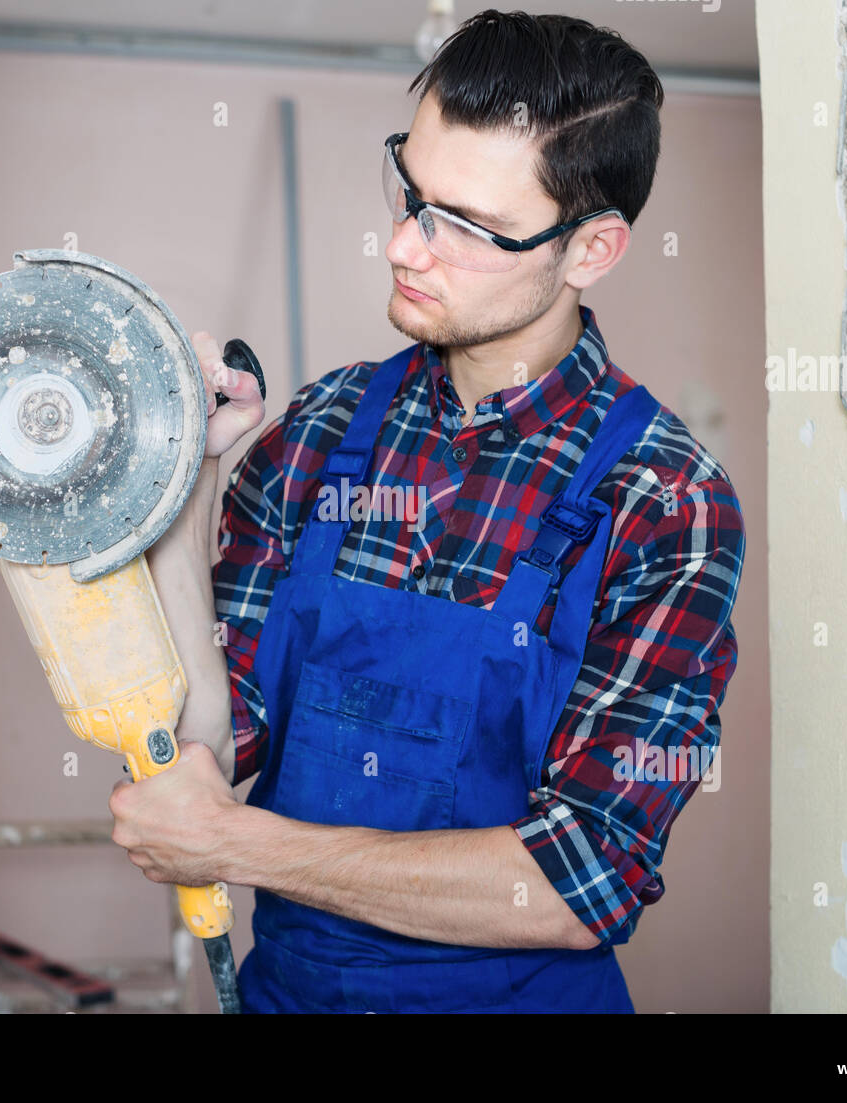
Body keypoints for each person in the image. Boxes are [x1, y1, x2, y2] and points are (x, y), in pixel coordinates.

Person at [109, 9, 746, 1013]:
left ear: (591, 249)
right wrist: (186, 482)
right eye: (412, 192)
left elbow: (580, 878)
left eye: (468, 225)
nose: (406, 244)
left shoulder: (662, 503)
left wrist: (235, 844)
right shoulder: (322, 426)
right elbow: (215, 743)